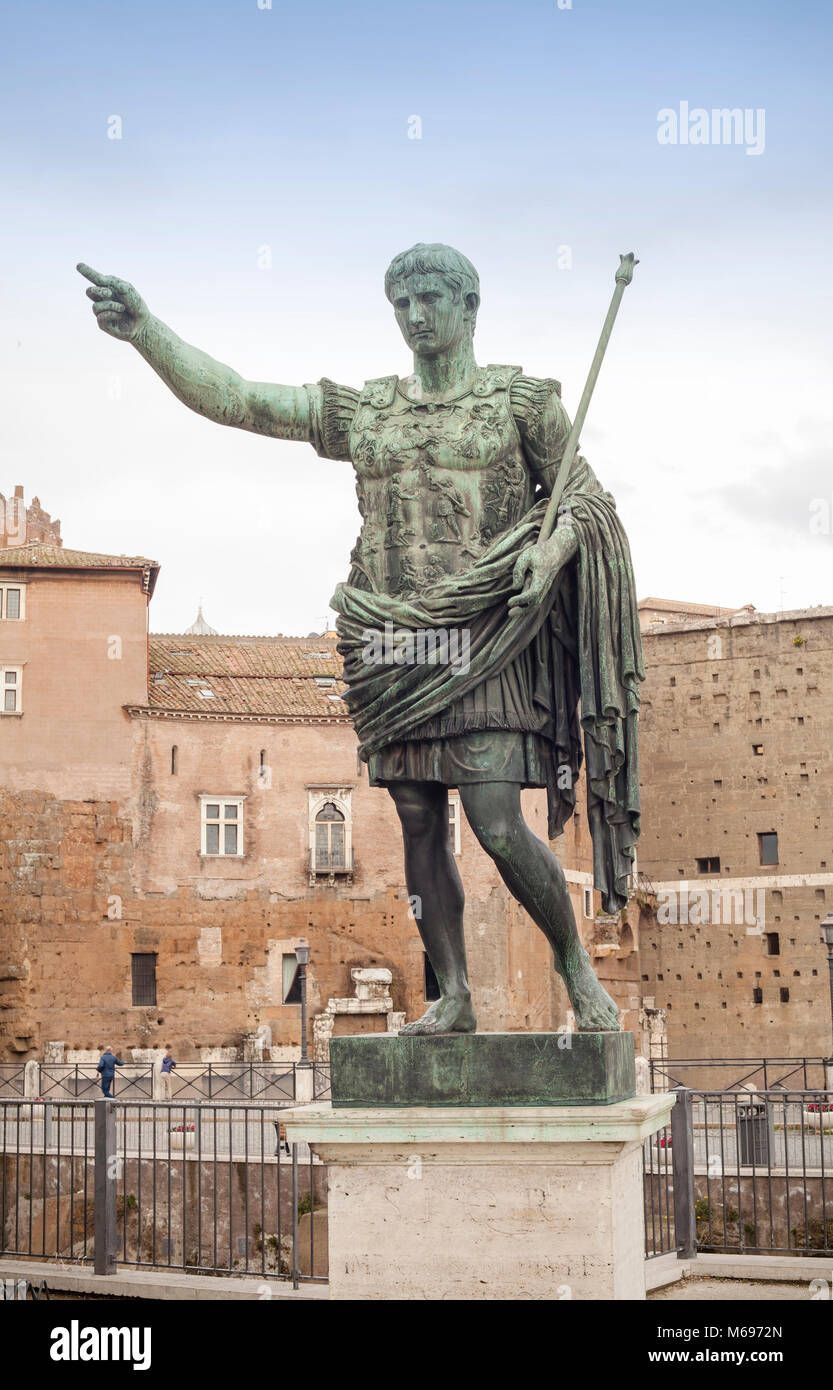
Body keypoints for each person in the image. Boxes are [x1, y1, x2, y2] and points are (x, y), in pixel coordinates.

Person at [77, 243, 643, 1035]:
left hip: (484, 636)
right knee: (415, 817)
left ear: (469, 306)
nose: (415, 317)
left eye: (430, 300)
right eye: (401, 303)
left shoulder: (520, 404)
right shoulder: (367, 412)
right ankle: (452, 996)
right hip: (389, 640)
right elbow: (240, 399)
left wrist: (550, 549)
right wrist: (146, 334)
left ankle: (574, 969)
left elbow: (583, 497)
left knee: (493, 819)